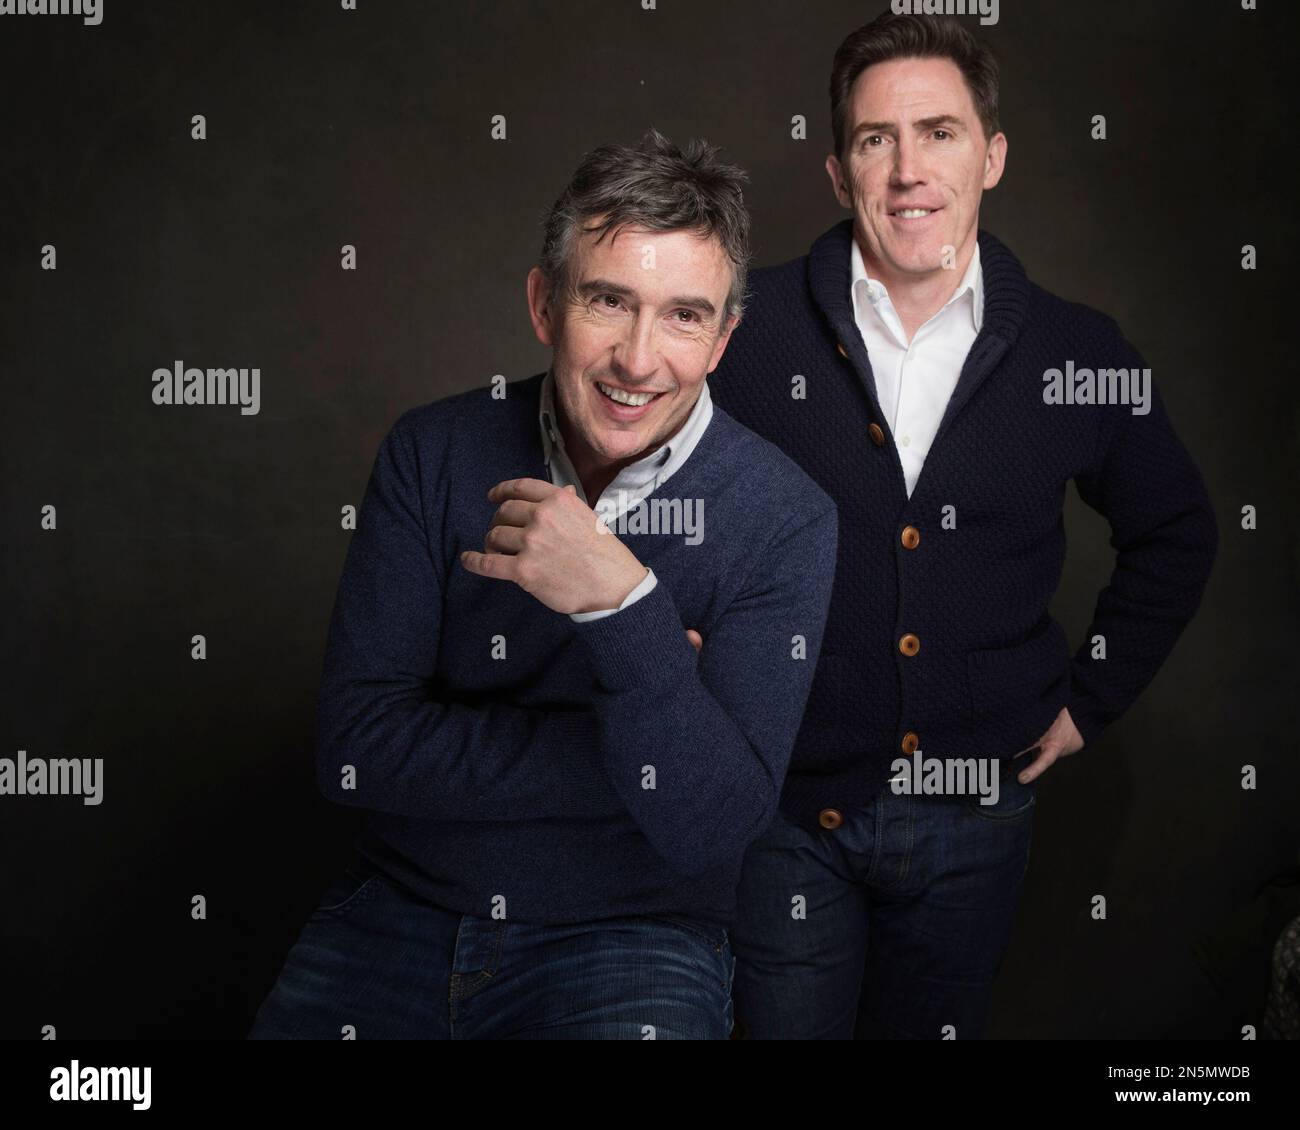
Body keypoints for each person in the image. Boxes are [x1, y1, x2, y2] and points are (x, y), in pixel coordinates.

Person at [248, 129, 838, 1040]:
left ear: (723, 339)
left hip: (635, 938)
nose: (639, 361)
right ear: (542, 303)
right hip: (400, 910)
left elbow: (713, 825)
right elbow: (356, 747)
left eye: (684, 316)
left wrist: (625, 607)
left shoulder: (786, 518)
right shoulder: (433, 451)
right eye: (608, 301)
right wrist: (659, 715)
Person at [708, 12, 1218, 1039]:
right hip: (783, 818)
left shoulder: (1078, 349)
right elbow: (641, 498)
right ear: (837, 170)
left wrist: (1090, 698)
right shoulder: (740, 329)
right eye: (874, 140)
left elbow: (1175, 529)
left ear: (990, 154)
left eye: (937, 132)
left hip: (977, 823)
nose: (907, 170)